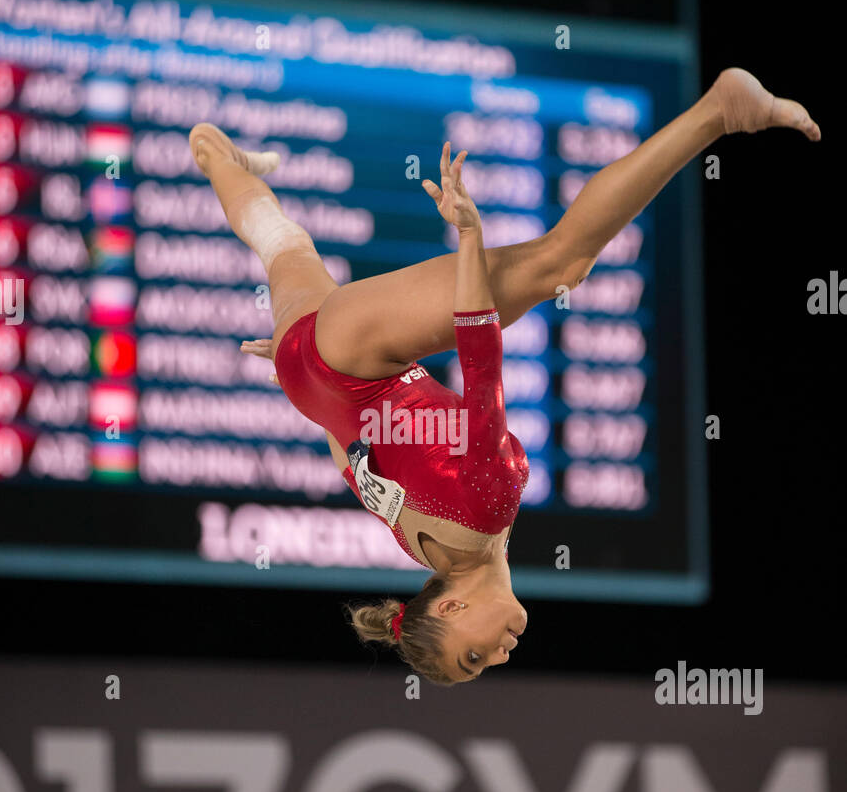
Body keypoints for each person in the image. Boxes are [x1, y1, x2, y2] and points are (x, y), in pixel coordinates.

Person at [190, 68, 819, 684]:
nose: (500, 658)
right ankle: (212, 150)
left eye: (473, 657)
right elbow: (356, 459)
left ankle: (721, 109)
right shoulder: (421, 549)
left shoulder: (484, 511)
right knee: (283, 247)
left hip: (355, 360)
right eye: (485, 667)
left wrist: (470, 240)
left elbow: (482, 362)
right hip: (312, 375)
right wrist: (308, 382)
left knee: (560, 262)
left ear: (451, 608)